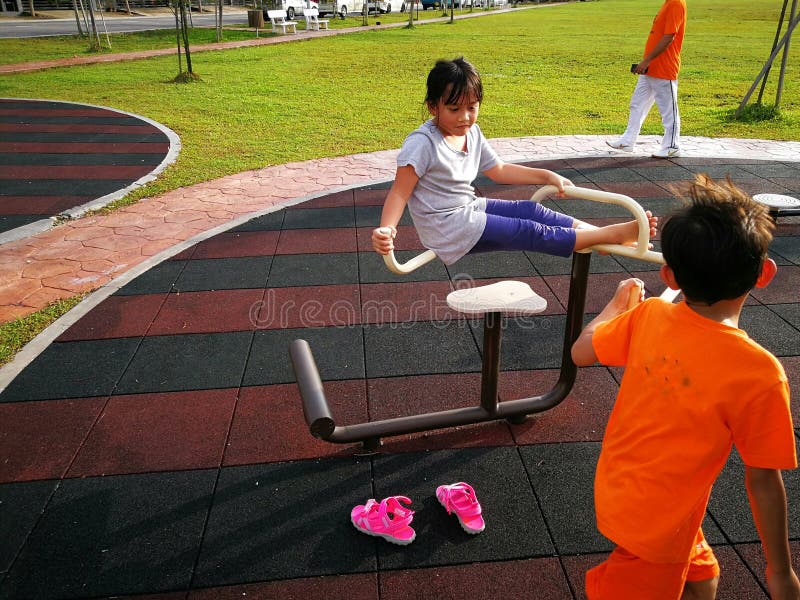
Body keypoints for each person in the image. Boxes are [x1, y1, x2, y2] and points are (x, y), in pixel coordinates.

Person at [571, 174, 800, 600]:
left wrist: (616, 306)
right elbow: (763, 481)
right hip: (655, 524)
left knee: (702, 580)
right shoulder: (760, 373)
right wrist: (780, 571)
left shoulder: (650, 317)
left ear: (670, 277)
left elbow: (580, 351)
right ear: (764, 274)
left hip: (643, 497)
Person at [372, 57, 658, 266]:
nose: (464, 117)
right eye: (454, 109)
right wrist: (387, 229)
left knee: (531, 210)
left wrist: (546, 175)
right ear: (433, 107)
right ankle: (610, 234)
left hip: (468, 209)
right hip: (447, 226)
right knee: (529, 231)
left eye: (472, 108)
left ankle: (596, 237)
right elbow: (400, 191)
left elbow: (498, 170)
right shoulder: (422, 144)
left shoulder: (472, 132)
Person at [607, 0, 687, 158]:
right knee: (637, 104)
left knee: (668, 110)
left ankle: (672, 146)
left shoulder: (676, 3)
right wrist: (647, 62)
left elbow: (669, 36)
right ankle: (628, 141)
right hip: (650, 68)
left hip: (664, 68)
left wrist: (646, 60)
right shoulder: (668, 3)